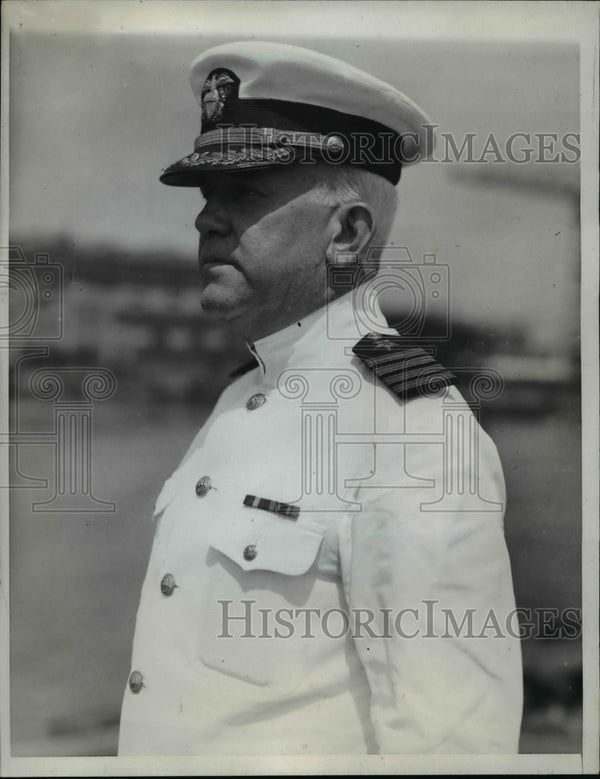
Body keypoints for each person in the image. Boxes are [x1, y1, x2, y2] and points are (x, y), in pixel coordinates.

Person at [118, 40, 523, 755]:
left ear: (347, 234)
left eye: (246, 193)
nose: (206, 220)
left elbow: (454, 746)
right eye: (208, 194)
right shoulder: (243, 392)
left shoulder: (412, 431)